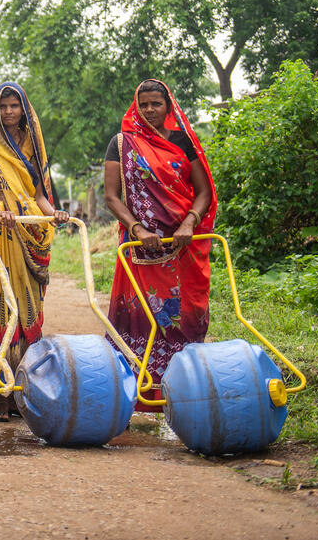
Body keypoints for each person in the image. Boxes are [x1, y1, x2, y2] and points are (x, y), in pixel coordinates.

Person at [104, 78, 216, 409]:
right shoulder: (122, 143)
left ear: (168, 107)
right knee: (142, 320)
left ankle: (183, 397)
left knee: (186, 318)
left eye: (157, 104)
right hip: (140, 250)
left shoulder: (183, 142)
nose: (150, 110)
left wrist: (189, 223)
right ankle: (134, 396)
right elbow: (111, 197)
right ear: (135, 107)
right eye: (144, 104)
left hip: (183, 247)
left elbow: (204, 192)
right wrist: (137, 228)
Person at [0, 83, 69, 421]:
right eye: (4, 106)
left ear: (24, 109)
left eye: (15, 106)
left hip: (30, 231)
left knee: (27, 309)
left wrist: (52, 212)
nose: (9, 112)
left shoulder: (34, 146)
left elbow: (40, 195)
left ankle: (21, 393)